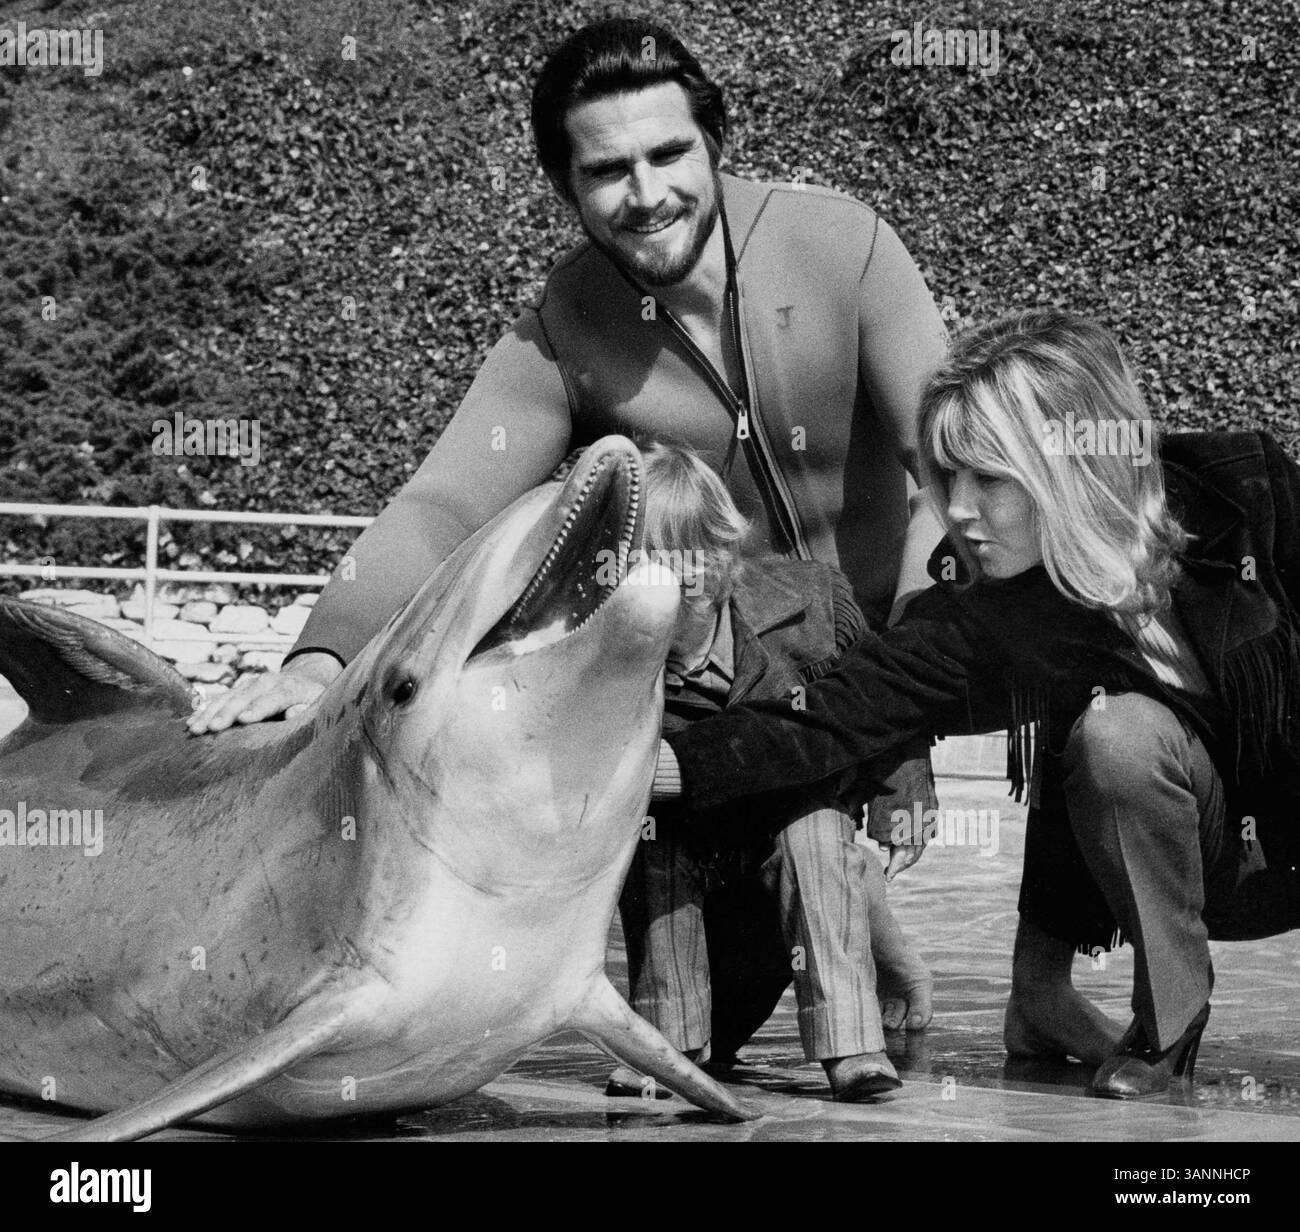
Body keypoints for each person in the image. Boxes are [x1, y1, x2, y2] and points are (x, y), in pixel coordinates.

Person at [188, 16, 950, 890]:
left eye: (669, 154)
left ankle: (1039, 978)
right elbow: (442, 507)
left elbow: (944, 472)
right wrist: (321, 658)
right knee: (722, 1004)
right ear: (564, 186)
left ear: (714, 144)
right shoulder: (567, 324)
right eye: (607, 170)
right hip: (732, 695)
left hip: (905, 647)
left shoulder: (841, 245)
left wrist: (902, 714)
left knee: (1084, 662)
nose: (647, 193)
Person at [654, 308, 1300, 1098]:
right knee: (1115, 733)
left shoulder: (1246, 491)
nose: (957, 509)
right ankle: (1168, 1025)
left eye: (989, 478)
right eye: (946, 477)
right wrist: (657, 769)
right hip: (1202, 869)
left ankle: (1046, 998)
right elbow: (829, 715)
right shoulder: (988, 616)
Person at [612, 441, 932, 1102]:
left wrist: (902, 797)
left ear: (726, 558)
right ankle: (668, 1041)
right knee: (652, 833)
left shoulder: (811, 600)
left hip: (787, 866)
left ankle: (852, 1046)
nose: (669, 592)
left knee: (815, 826)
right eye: (642, 572)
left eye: (686, 571)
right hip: (691, 890)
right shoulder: (610, 644)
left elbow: (884, 701)